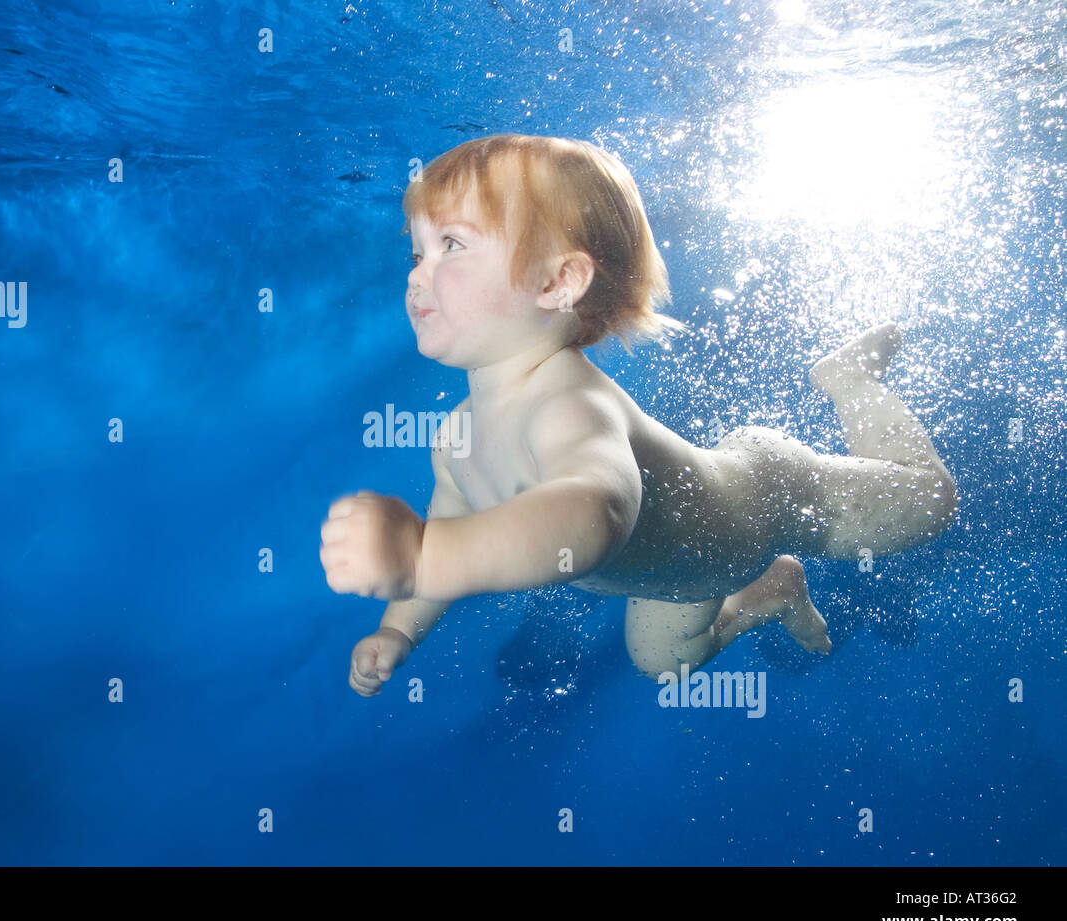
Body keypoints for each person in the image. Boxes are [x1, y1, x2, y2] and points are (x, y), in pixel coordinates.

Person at [319, 134, 957, 697]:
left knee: (932, 504)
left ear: (557, 282)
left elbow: (594, 515)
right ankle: (778, 588)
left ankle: (849, 381)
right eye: (417, 252)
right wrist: (400, 630)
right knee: (665, 668)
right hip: (681, 575)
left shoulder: (569, 404)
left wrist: (428, 559)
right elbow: (446, 526)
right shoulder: (457, 439)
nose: (416, 276)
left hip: (765, 496)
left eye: (451, 245)